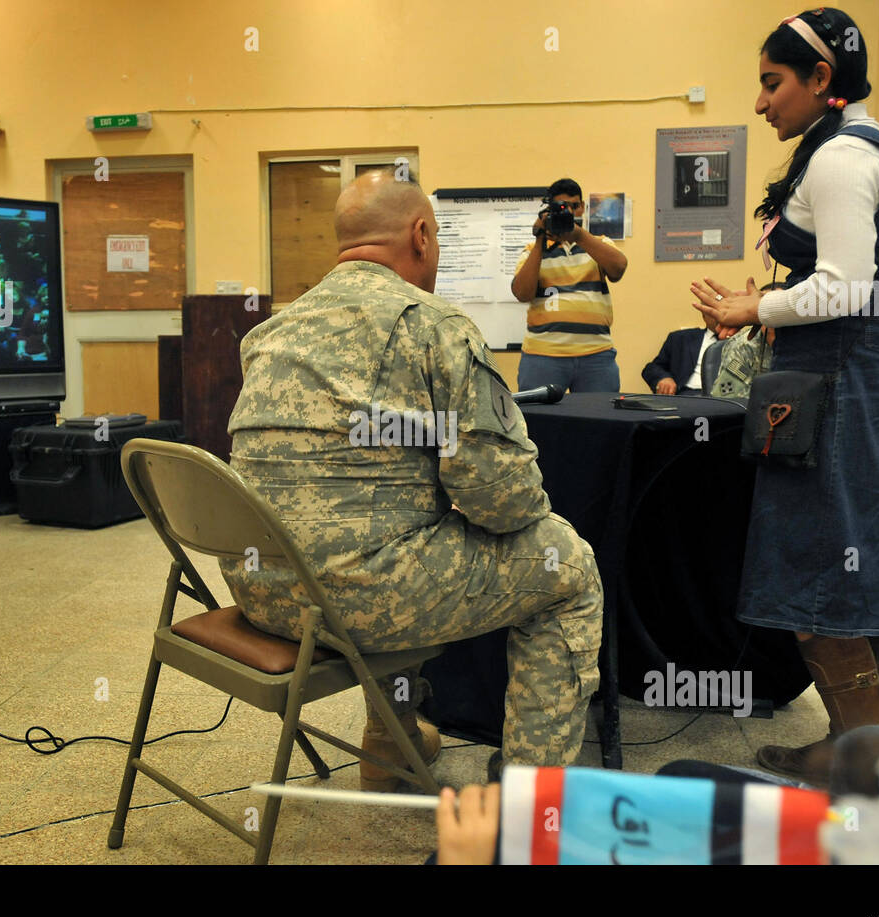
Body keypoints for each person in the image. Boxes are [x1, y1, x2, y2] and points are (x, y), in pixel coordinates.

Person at [220, 170, 603, 791]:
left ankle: (389, 742)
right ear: (421, 235)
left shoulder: (271, 331)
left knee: (387, 538)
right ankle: (536, 795)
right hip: (357, 601)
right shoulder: (435, 325)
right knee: (568, 565)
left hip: (262, 590)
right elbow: (504, 501)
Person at [690, 8, 879, 787]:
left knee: (824, 580)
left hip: (840, 392)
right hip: (856, 383)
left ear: (822, 80)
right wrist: (772, 301)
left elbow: (847, 287)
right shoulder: (851, 145)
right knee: (848, 572)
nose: (760, 102)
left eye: (771, 82)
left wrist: (755, 308)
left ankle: (874, 774)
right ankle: (850, 750)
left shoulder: (841, 158)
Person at [510, 178, 627, 393]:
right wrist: (540, 240)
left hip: (596, 354)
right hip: (543, 355)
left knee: (600, 421)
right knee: (539, 422)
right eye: (562, 207)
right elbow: (522, 293)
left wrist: (579, 235)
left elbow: (618, 268)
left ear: (582, 207)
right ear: (550, 210)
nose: (569, 212)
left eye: (574, 206)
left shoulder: (598, 244)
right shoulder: (532, 250)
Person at [642, 310, 721, 395]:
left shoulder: (736, 342)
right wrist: (663, 378)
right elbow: (652, 368)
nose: (720, 315)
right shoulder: (681, 338)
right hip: (689, 395)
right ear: (704, 315)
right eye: (713, 311)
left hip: (729, 399)